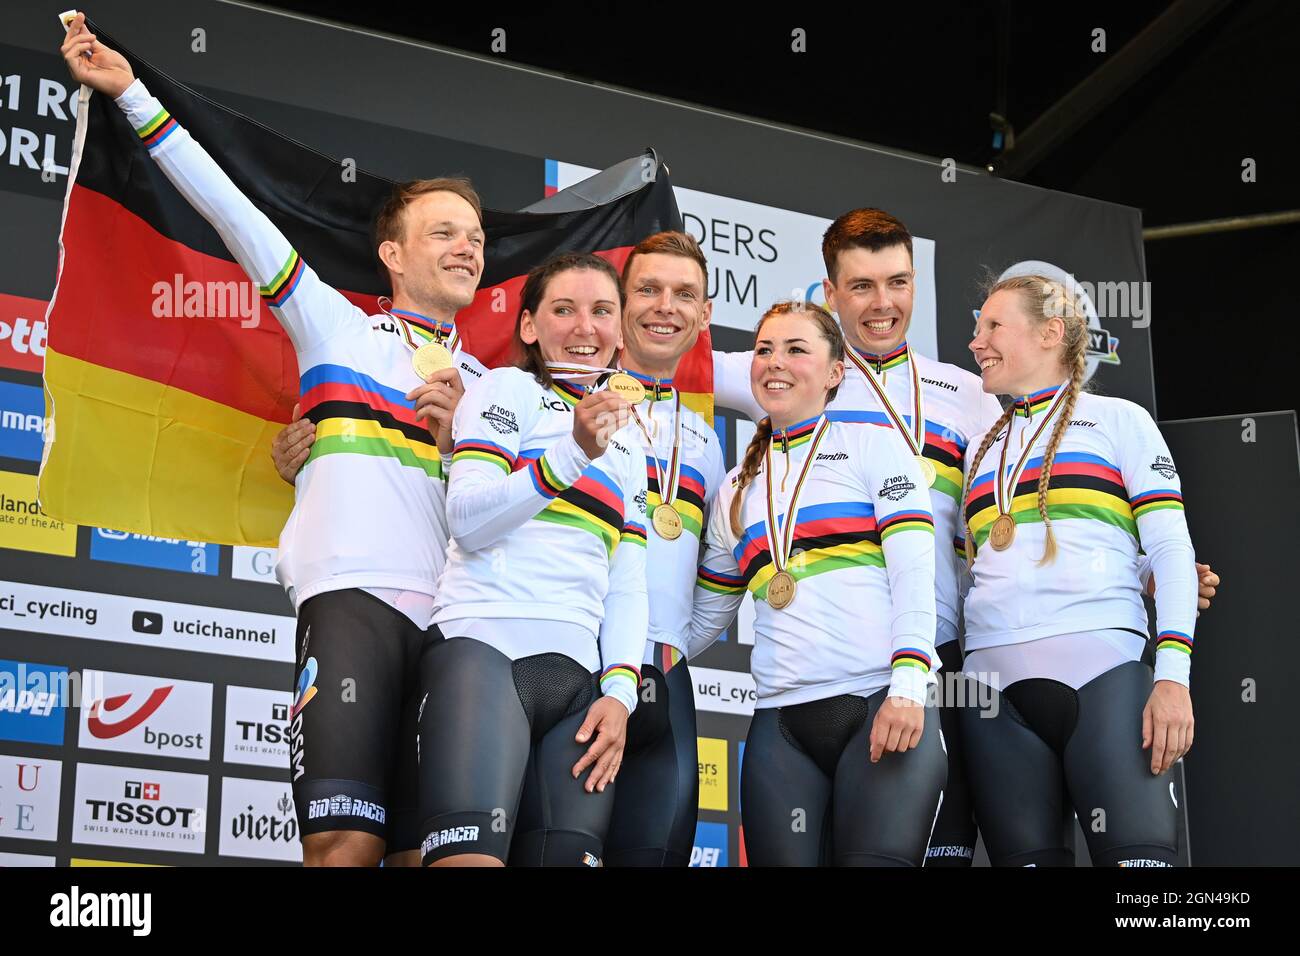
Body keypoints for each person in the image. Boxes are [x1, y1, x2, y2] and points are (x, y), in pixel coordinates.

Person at [61, 15, 482, 866]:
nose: (466, 248)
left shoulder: (497, 395)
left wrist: (458, 442)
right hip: (354, 603)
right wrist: (130, 91)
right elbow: (232, 212)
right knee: (343, 849)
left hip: (461, 629)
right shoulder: (335, 328)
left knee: (426, 860)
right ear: (391, 256)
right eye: (444, 233)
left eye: (476, 239)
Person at [690, 301, 945, 866]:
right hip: (781, 723)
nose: (774, 362)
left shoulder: (875, 446)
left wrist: (907, 686)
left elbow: (914, 575)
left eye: (795, 349)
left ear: (835, 373)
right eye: (764, 349)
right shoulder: (735, 487)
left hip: (879, 700)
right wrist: (624, 663)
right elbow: (706, 619)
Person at [959, 274, 1197, 867]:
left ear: (1051, 333)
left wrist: (1172, 678)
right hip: (994, 695)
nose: (975, 342)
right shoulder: (980, 449)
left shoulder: (1121, 420)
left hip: (1105, 676)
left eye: (993, 326)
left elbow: (1171, 550)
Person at [418, 252, 648, 867]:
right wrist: (572, 453)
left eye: (602, 311)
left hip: (581, 684)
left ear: (620, 332)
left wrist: (621, 692)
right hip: (483, 647)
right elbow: (468, 521)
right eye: (563, 309)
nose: (584, 328)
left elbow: (628, 582)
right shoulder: (505, 389)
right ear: (528, 326)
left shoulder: (631, 442)